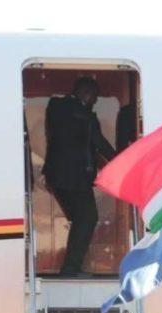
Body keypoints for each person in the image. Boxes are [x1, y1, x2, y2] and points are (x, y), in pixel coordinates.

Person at [43, 77, 116, 276]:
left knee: (82, 219)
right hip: (74, 179)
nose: (96, 101)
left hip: (57, 177)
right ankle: (71, 268)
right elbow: (100, 144)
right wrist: (120, 160)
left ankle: (71, 266)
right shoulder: (85, 117)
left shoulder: (56, 108)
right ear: (86, 94)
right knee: (88, 217)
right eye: (94, 96)